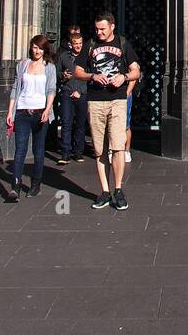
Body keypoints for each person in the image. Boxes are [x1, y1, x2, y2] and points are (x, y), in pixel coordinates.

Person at [74, 11, 139, 211]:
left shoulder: (123, 43)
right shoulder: (90, 45)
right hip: (95, 101)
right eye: (97, 29)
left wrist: (125, 77)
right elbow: (77, 71)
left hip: (117, 99)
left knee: (118, 146)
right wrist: (92, 76)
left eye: (102, 28)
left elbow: (136, 70)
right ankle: (104, 190)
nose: (99, 32)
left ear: (112, 26)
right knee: (100, 149)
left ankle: (118, 190)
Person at [6, 34, 56, 201]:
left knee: (38, 150)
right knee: (20, 149)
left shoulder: (50, 67)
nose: (37, 51)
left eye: (40, 48)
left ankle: (36, 184)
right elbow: (15, 87)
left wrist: (48, 109)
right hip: (22, 112)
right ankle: (15, 186)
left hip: (40, 112)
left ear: (45, 50)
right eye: (35, 47)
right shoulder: (22, 65)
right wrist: (10, 111)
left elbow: (51, 90)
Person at [56, 25, 87, 164]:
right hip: (67, 92)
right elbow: (56, 73)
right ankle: (65, 153)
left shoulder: (87, 58)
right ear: (71, 44)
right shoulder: (63, 57)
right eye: (76, 44)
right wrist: (63, 75)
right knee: (66, 122)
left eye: (80, 43)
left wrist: (80, 91)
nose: (78, 46)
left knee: (80, 124)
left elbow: (89, 76)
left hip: (81, 93)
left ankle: (79, 152)